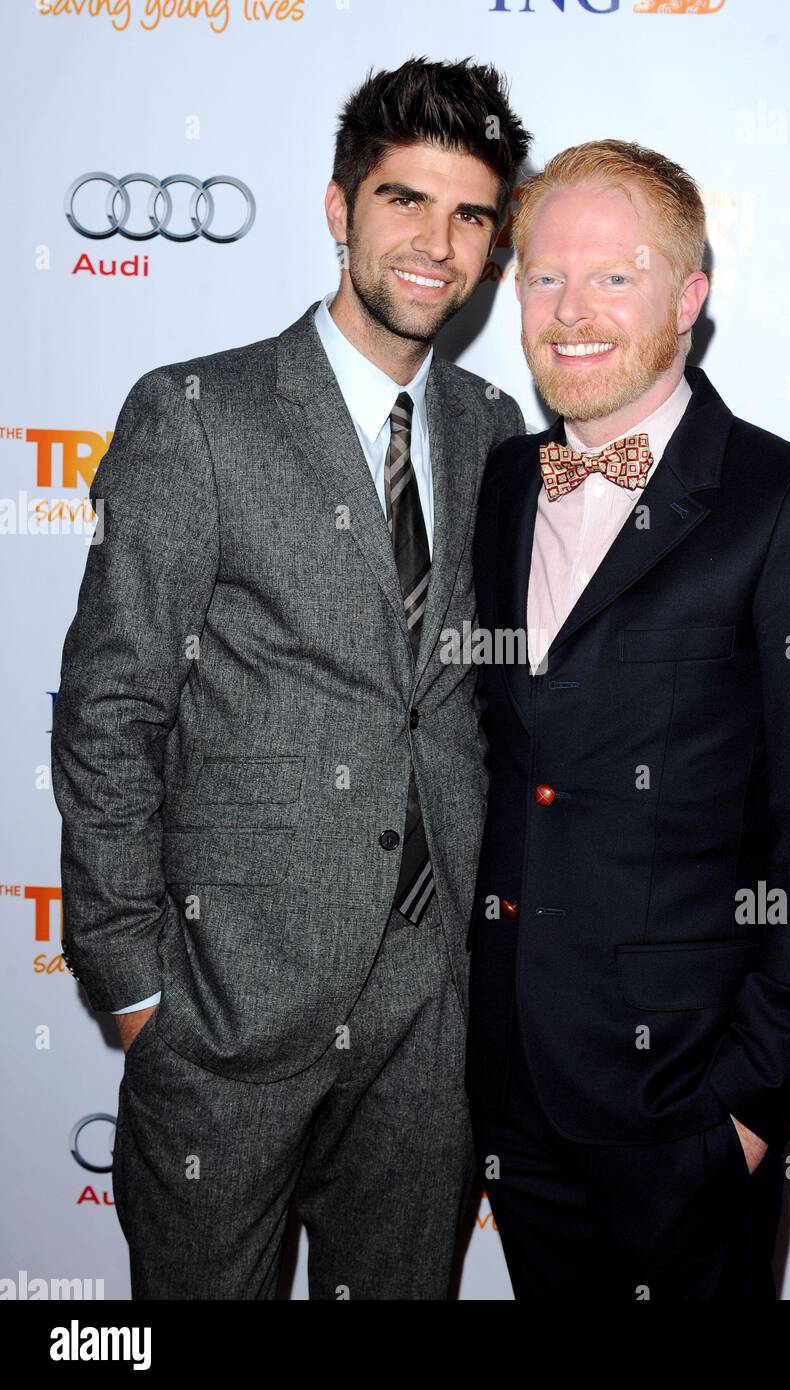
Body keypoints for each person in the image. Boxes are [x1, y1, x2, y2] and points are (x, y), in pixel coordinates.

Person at [50, 56, 531, 1301]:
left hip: (431, 1019)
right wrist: (135, 983)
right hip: (227, 1000)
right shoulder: (198, 414)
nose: (436, 242)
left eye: (470, 214)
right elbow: (112, 704)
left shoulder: (492, 433)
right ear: (338, 209)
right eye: (403, 200)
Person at [466, 139, 790, 1300]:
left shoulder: (789, 502)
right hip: (511, 1085)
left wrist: (753, 1106)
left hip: (685, 1101)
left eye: (615, 277)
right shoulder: (505, 481)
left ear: (688, 297)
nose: (571, 312)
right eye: (545, 276)